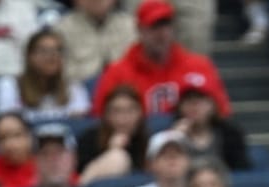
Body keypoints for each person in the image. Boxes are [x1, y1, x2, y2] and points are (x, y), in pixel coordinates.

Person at [91, 0, 231, 118]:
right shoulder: (118, 73)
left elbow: (222, 113)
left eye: (165, 25)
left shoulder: (200, 66)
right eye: (154, 27)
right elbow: (101, 121)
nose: (161, 34)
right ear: (140, 30)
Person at [0, 30, 89, 130]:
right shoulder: (10, 85)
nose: (52, 56)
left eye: (58, 50)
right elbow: (9, 126)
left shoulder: (74, 87)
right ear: (29, 56)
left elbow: (78, 128)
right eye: (44, 51)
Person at [172, 83, 250, 173]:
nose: (194, 106)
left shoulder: (230, 135)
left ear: (212, 105)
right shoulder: (172, 135)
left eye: (200, 99)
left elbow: (242, 172)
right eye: (188, 100)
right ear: (180, 107)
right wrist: (175, 138)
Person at [77, 85, 148, 183]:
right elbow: (83, 180)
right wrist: (112, 150)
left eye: (130, 111)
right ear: (106, 115)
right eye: (116, 111)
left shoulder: (147, 140)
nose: (123, 119)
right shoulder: (89, 138)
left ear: (140, 113)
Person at [53, 0, 135, 84]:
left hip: (126, 88)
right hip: (80, 89)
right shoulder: (61, 30)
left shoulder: (131, 26)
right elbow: (58, 72)